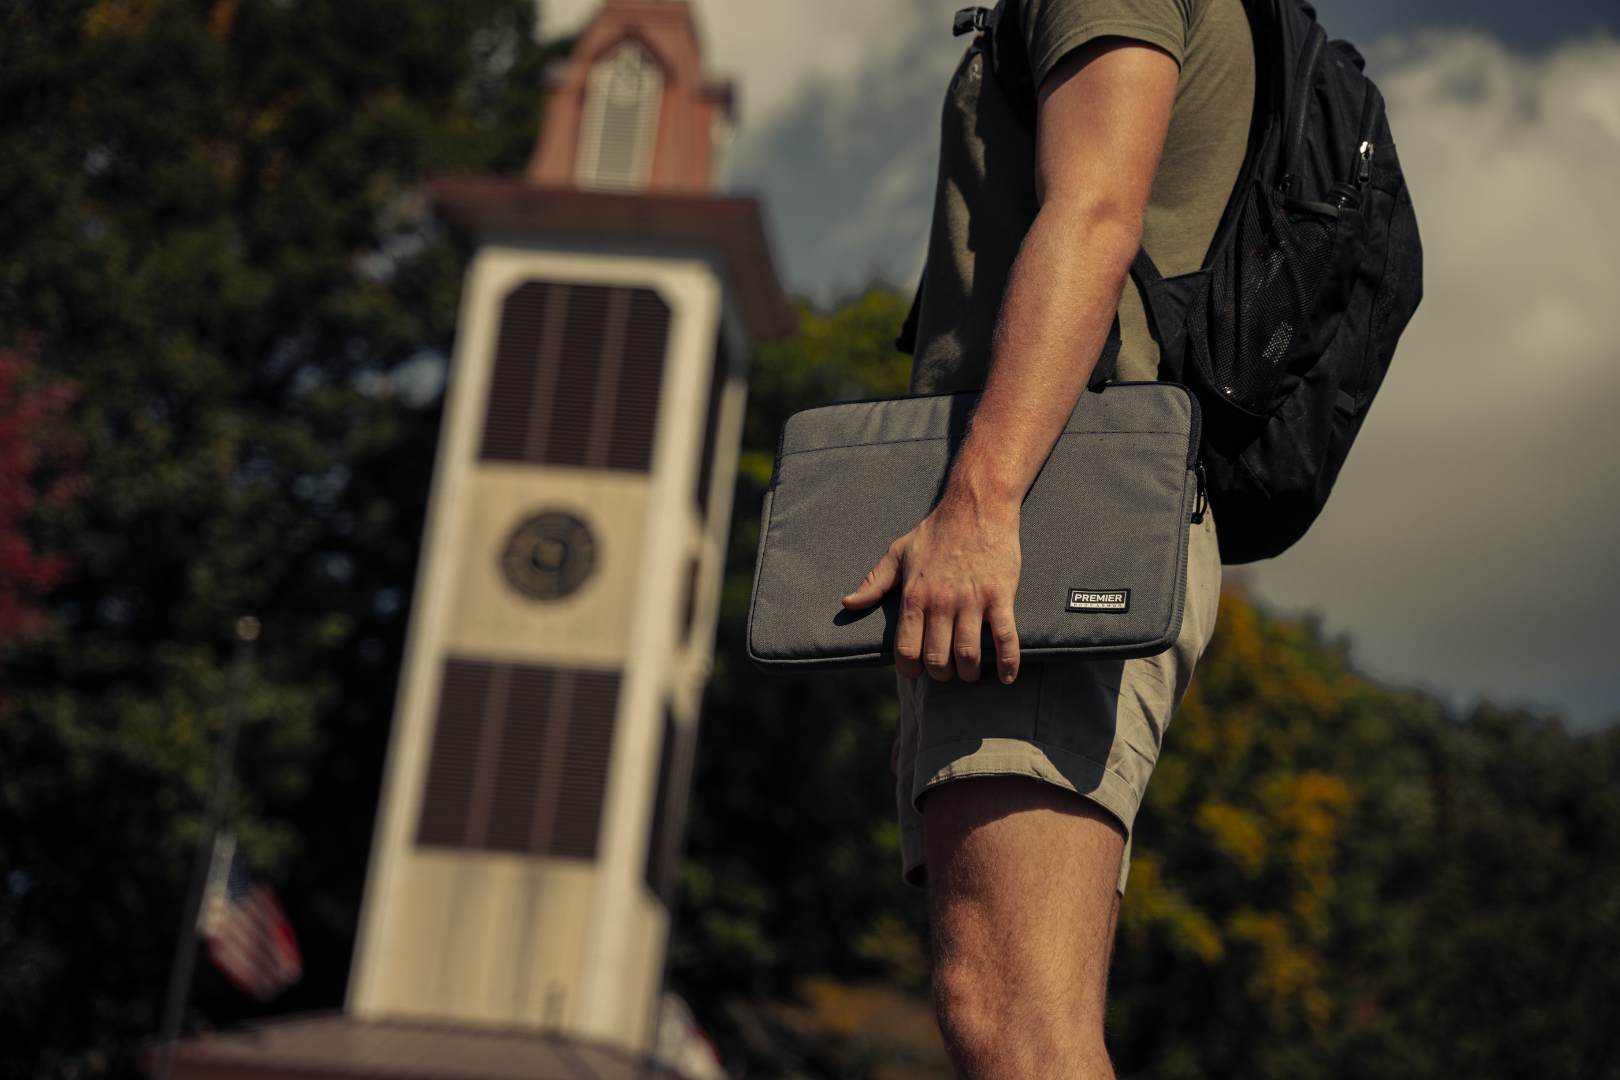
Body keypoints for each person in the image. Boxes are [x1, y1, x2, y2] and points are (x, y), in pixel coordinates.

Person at [839, 1, 1254, 1076]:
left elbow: (1096, 209)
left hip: (1046, 517)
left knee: (1014, 1019)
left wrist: (980, 504)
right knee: (1029, 1016)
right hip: (1064, 512)